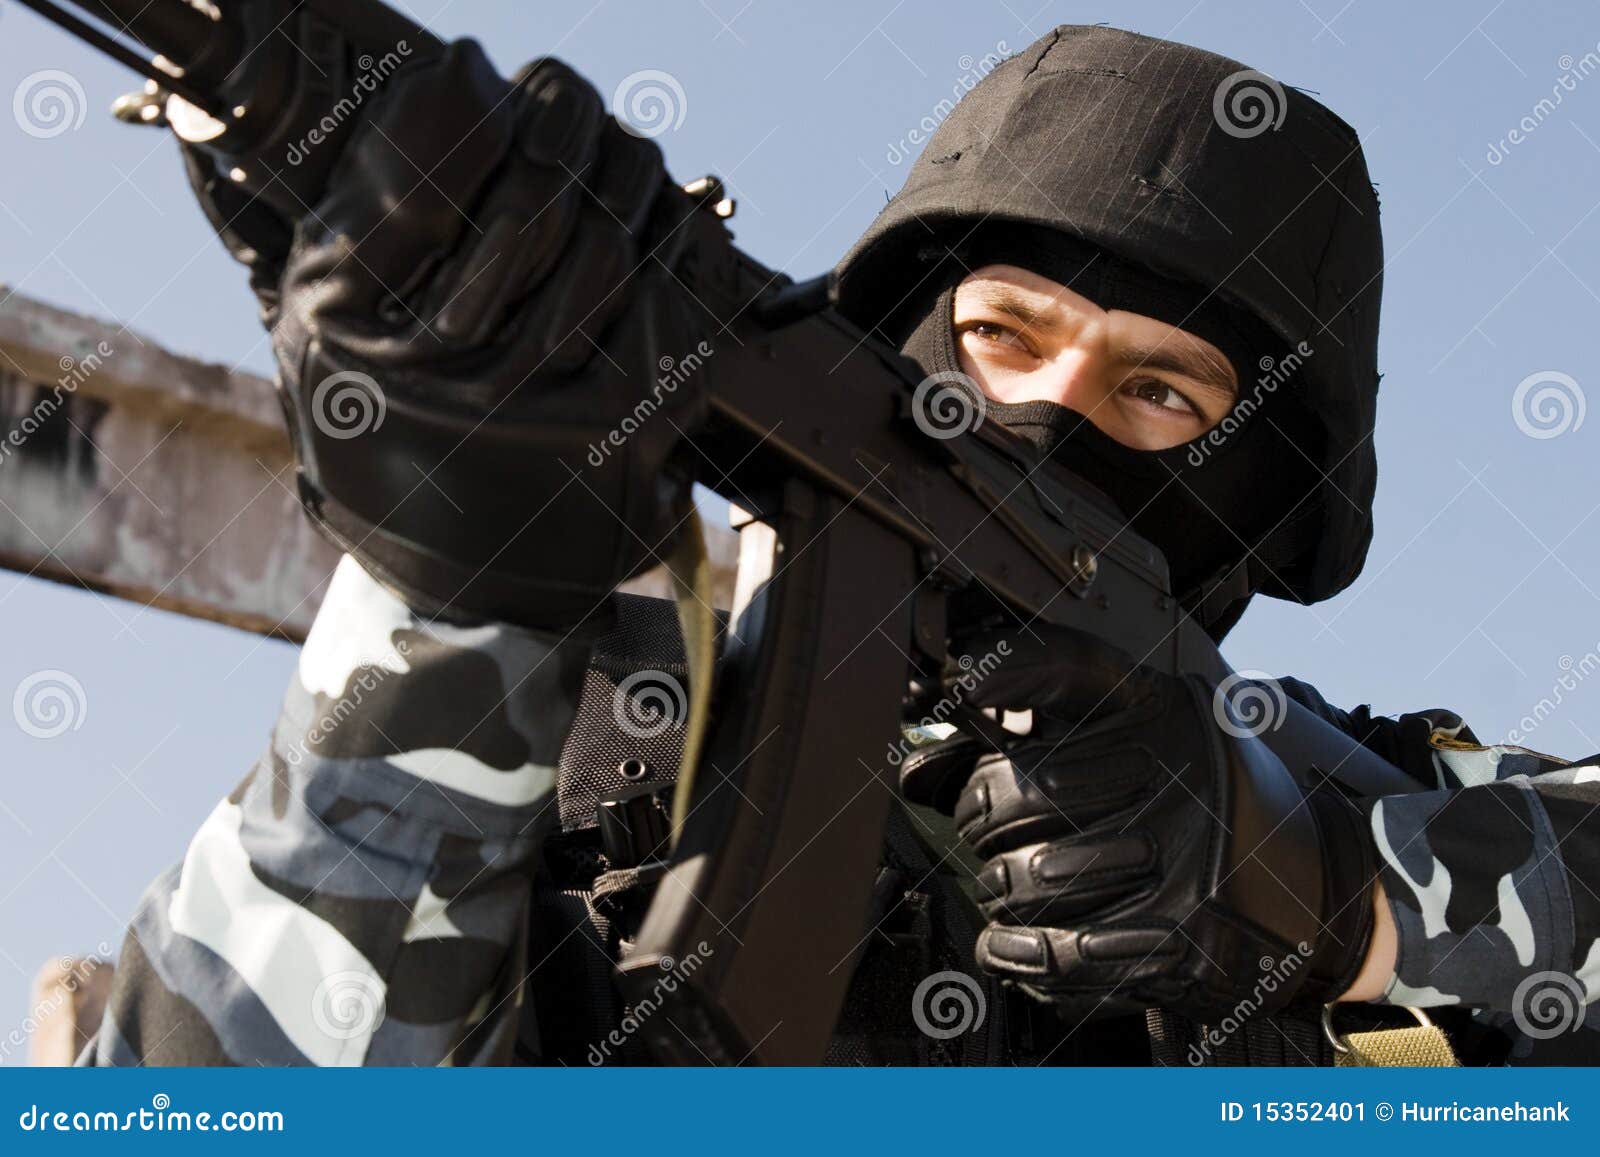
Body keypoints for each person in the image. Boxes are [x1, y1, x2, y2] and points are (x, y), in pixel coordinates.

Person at [83, 25, 1598, 1067]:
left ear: (1256, 498)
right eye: (1005, 333)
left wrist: (1334, 898)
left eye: (1155, 389)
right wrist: (444, 608)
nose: (1050, 405)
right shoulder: (585, 737)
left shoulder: (1386, 798)